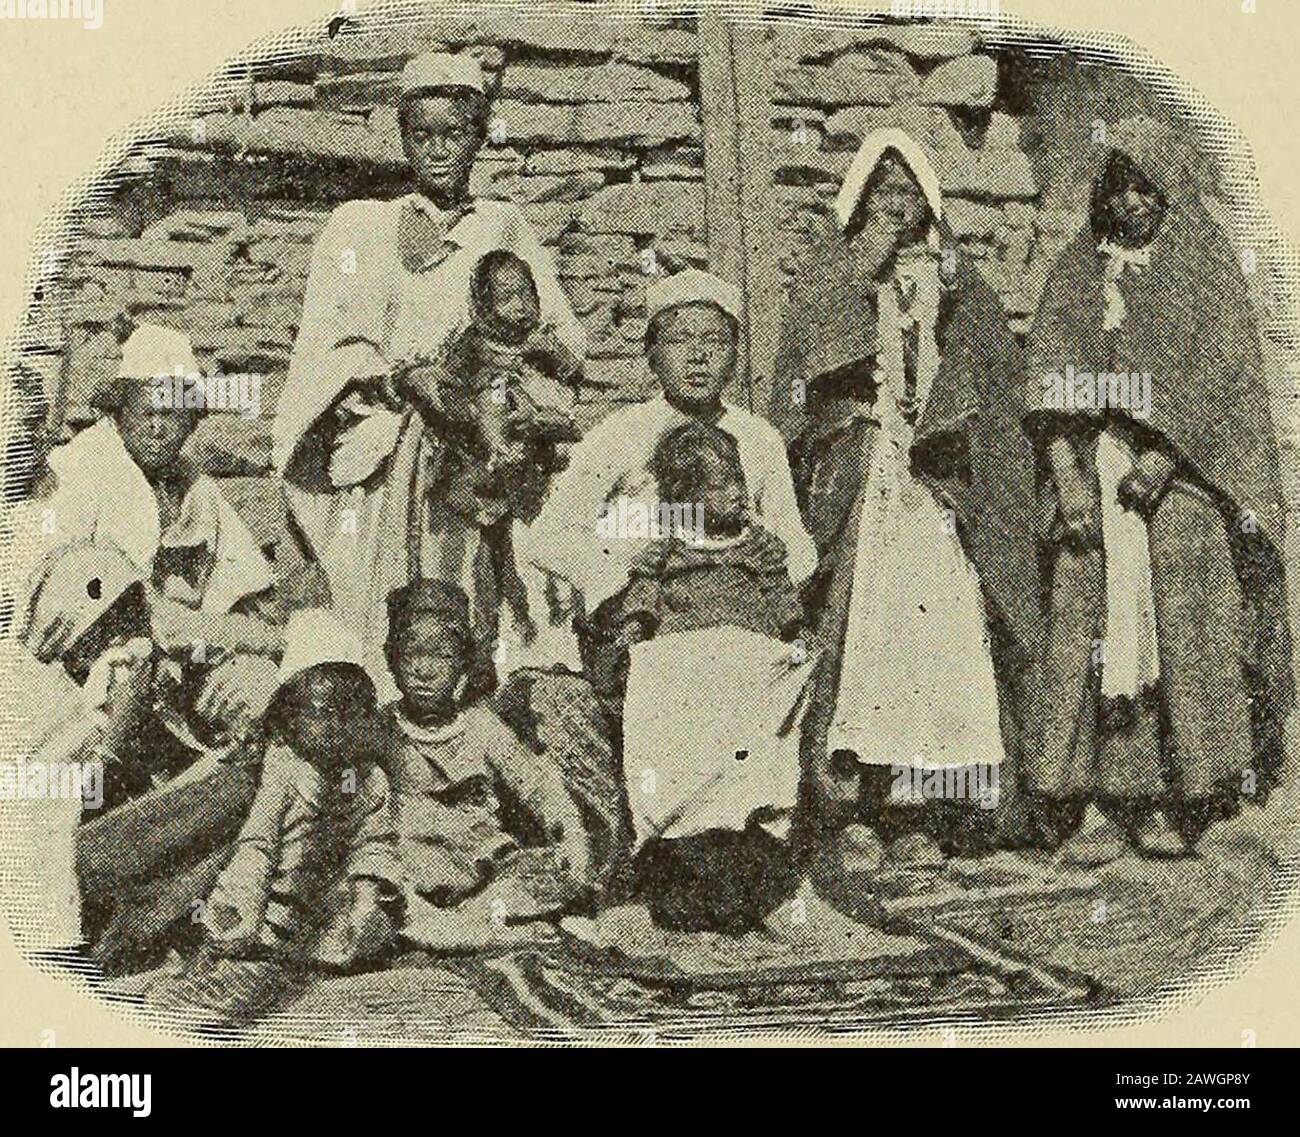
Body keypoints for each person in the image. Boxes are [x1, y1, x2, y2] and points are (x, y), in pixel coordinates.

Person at [1023, 116, 1293, 863]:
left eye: (1148, 188)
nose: (1133, 204)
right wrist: (1071, 474)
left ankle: (1184, 793)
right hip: (1094, 459)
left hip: (1182, 470)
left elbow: (1220, 383)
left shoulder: (1203, 269)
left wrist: (1166, 456)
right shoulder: (1079, 269)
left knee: (1182, 555)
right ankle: (1095, 799)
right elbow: (1050, 377)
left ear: (1170, 192)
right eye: (1119, 189)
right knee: (1084, 576)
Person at [273, 51, 584, 697]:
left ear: (479, 137)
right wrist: (401, 382)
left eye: (455, 134)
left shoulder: (503, 226)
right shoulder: (360, 228)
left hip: (484, 448)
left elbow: (560, 335)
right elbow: (330, 347)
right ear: (403, 137)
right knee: (382, 606)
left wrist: (522, 386)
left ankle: (493, 719)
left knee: (495, 595)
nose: (438, 150)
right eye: (422, 135)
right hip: (389, 457)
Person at [770, 128, 1041, 868]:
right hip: (865, 484)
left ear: (930, 202)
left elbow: (995, 387)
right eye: (880, 189)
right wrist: (843, 422)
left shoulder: (961, 284)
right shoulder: (834, 276)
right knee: (862, 636)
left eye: (908, 190)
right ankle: (851, 808)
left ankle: (921, 809)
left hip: (936, 487)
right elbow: (800, 386)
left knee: (940, 640)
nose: (896, 202)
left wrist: (960, 436)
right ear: (859, 201)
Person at [525, 268, 817, 728]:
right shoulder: (621, 434)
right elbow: (547, 535)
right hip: (643, 618)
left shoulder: (758, 438)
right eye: (680, 341)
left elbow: (795, 543)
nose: (698, 356)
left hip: (738, 623)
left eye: (715, 342)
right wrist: (622, 572)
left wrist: (757, 580)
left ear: (736, 356)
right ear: (652, 356)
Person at [26, 324, 283, 747]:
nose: (161, 430)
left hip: (182, 662)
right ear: (121, 410)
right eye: (150, 414)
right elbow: (149, 617)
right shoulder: (82, 469)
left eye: (176, 417)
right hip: (91, 672)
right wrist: (264, 640)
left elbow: (249, 593)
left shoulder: (189, 483)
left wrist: (260, 648)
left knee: (262, 687)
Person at [151, 609, 402, 1027]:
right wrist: (238, 907)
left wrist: (368, 891)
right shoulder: (285, 771)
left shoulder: (370, 778)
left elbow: (375, 843)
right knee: (222, 973)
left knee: (363, 938)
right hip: (279, 920)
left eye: (352, 711)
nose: (338, 726)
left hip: (335, 916)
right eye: (322, 712)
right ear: (290, 719)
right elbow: (258, 846)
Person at [613, 420, 814, 932]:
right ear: (685, 500)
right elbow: (642, 600)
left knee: (747, 767)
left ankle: (739, 884)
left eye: (739, 482)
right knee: (687, 767)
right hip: (687, 677)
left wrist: (796, 633)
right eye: (720, 486)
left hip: (747, 675)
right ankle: (685, 877)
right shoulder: (667, 552)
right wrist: (634, 631)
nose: (737, 496)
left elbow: (782, 598)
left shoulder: (758, 547)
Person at [378, 577, 591, 950]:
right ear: (392, 661)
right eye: (412, 655)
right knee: (370, 884)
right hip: (412, 869)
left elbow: (538, 784)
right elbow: (348, 792)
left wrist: (570, 834)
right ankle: (455, 929)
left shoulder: (481, 726)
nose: (424, 671)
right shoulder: (378, 730)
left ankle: (461, 927)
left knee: (553, 875)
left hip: (483, 871)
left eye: (441, 655)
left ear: (463, 663)